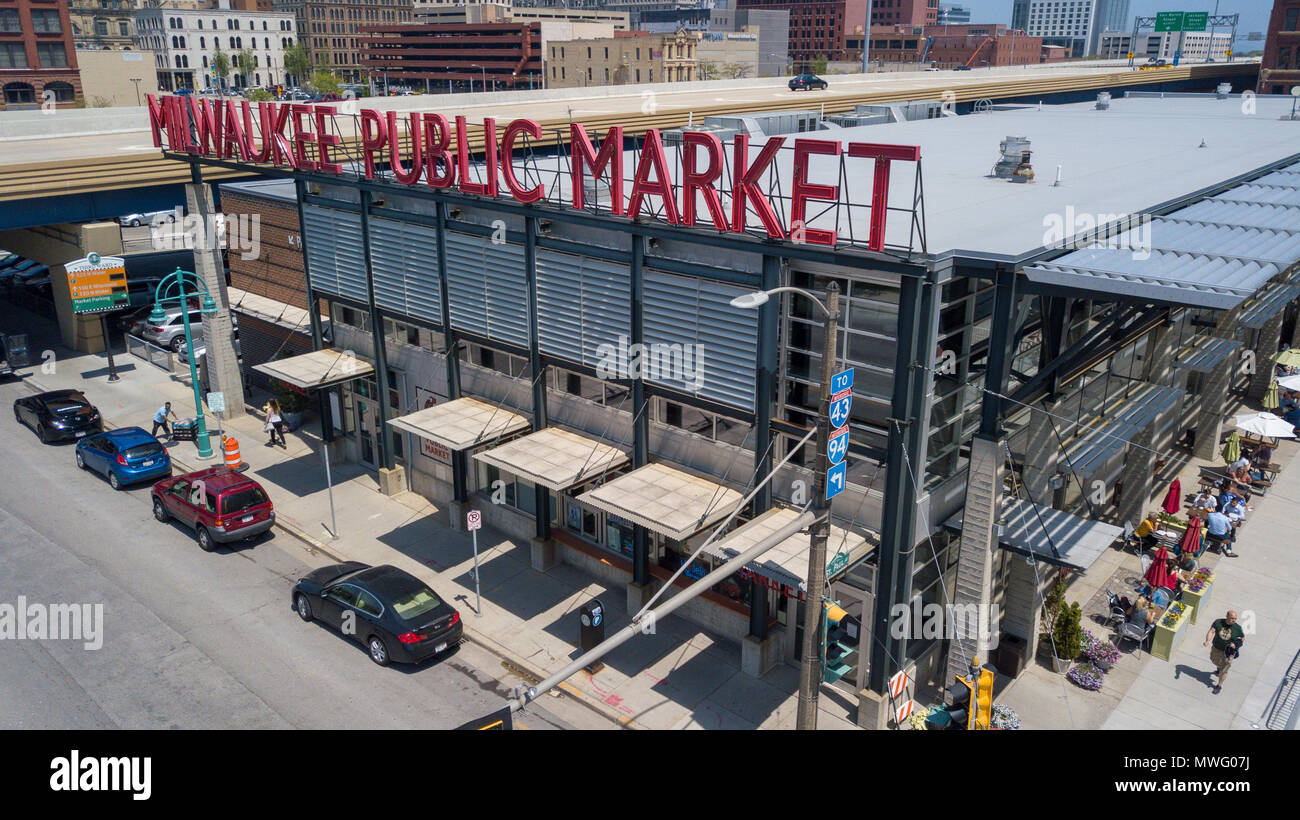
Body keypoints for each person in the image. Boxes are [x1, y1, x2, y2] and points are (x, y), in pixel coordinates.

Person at [1203, 610, 1244, 695]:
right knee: (1213, 660)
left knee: (1224, 670)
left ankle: (1219, 685)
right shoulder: (1218, 622)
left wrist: (1236, 644)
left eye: (1235, 619)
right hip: (1216, 648)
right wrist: (1207, 640)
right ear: (1227, 616)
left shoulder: (1237, 628)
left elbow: (1242, 638)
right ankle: (1219, 668)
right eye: (1232, 618)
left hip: (1228, 653)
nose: (1234, 620)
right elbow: (1211, 631)